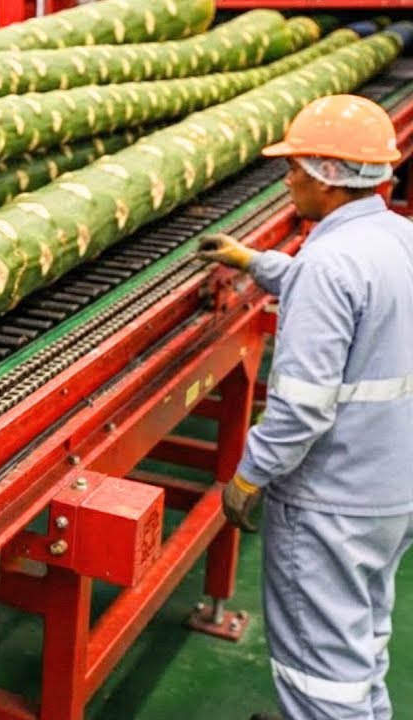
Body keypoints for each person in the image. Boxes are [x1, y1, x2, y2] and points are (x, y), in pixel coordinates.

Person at [198, 94, 413, 720]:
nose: (288, 179)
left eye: (295, 168)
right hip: (390, 487)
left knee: (316, 669)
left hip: (331, 499)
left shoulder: (328, 263)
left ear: (326, 176)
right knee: (360, 636)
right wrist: (258, 263)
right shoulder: (398, 235)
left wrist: (246, 477)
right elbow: (358, 301)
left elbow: (300, 411)